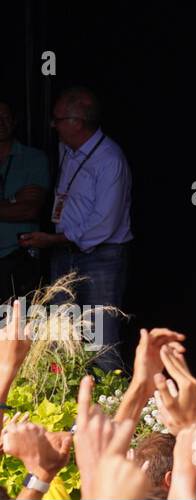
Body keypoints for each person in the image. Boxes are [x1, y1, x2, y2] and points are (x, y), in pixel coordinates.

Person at [19, 87, 132, 366]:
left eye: (57, 120)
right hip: (64, 253)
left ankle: (111, 406)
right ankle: (67, 403)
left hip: (101, 258)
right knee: (59, 336)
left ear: (76, 123)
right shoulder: (67, 149)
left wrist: (52, 240)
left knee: (100, 341)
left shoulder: (109, 160)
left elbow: (103, 225)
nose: (53, 126)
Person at [0, 101, 49, 302]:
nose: (1, 123)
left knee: (19, 329)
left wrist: (17, 204)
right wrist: (13, 200)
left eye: (5, 117)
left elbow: (30, 210)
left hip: (18, 260)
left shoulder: (33, 158)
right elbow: (20, 207)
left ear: (14, 121)